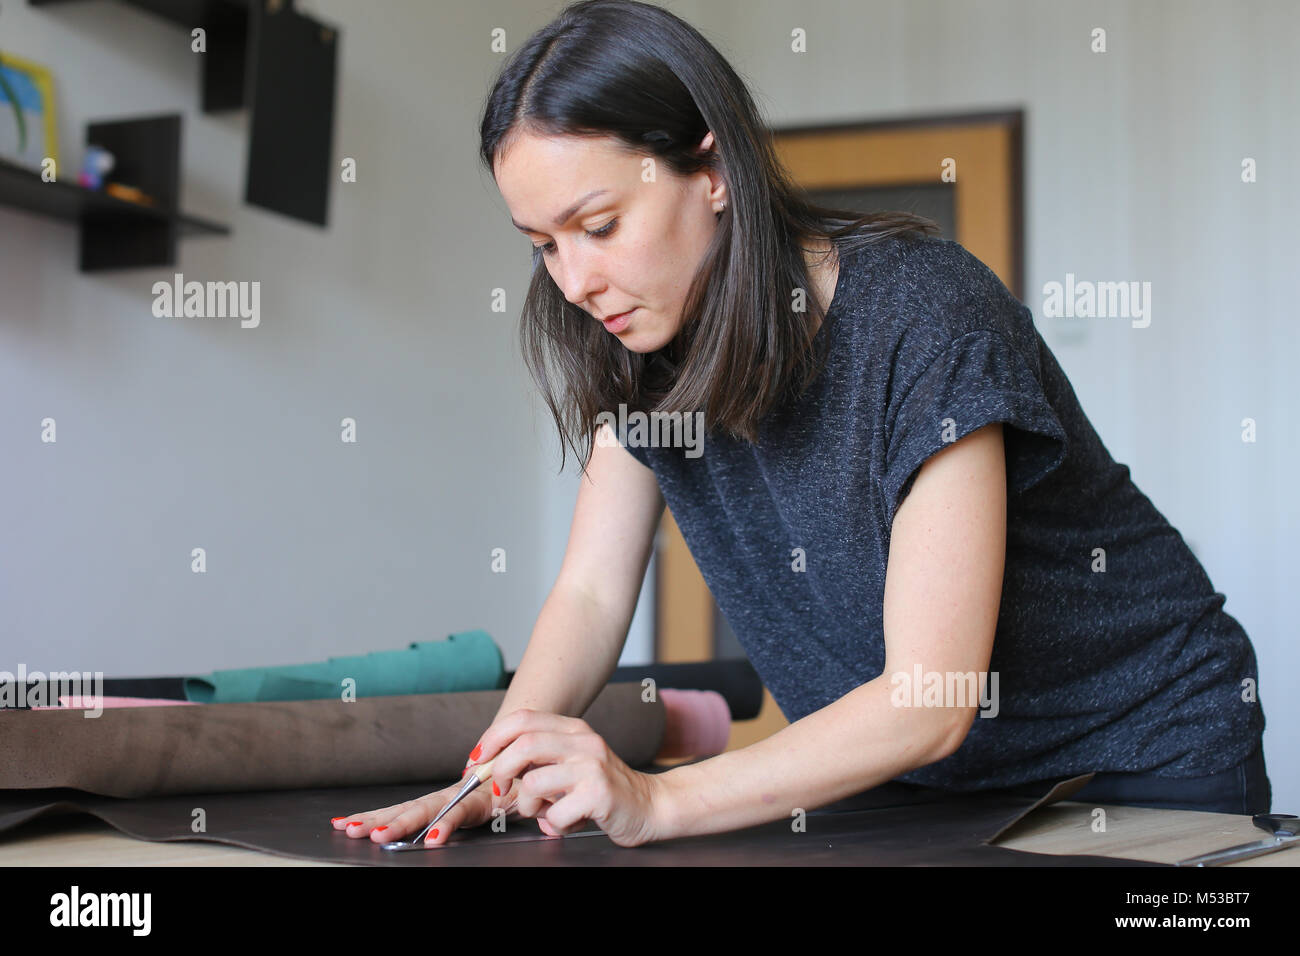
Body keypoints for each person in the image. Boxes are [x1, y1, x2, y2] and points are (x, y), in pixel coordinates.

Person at [332, 0, 1269, 849]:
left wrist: (658, 800)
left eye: (600, 225)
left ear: (710, 169)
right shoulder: (635, 349)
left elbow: (930, 697)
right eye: (543, 246)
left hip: (1132, 749)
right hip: (906, 777)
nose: (573, 284)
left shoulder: (924, 315)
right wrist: (494, 774)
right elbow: (588, 593)